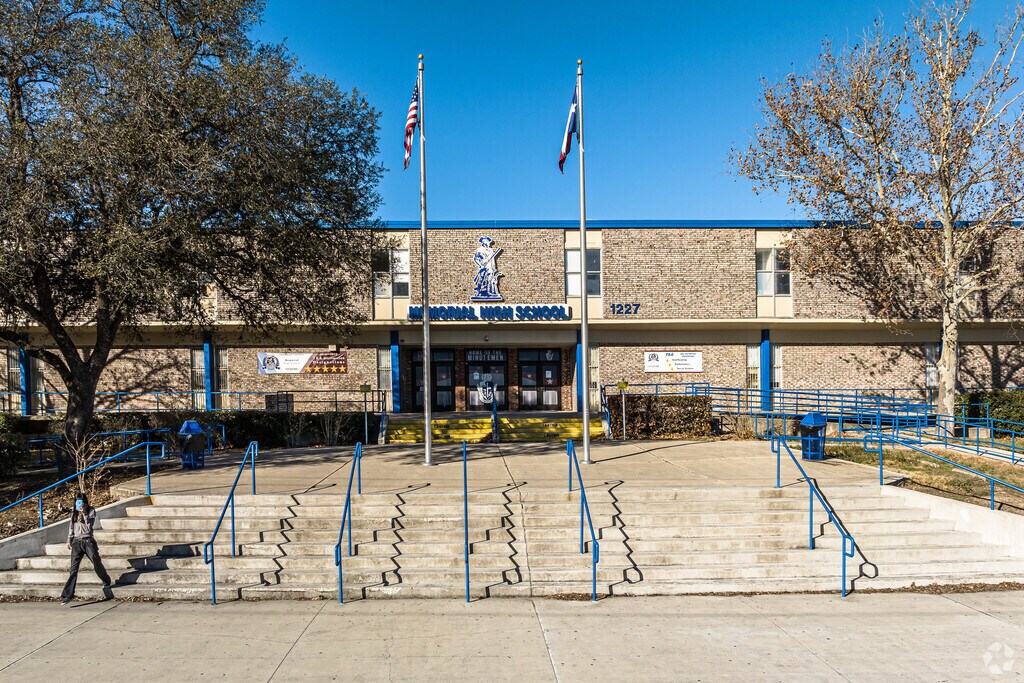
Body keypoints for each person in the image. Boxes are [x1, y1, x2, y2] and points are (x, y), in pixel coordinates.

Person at [60, 493, 113, 604]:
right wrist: (69, 540)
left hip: (88, 540)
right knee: (73, 569)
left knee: (96, 562)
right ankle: (68, 595)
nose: (80, 504)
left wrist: (83, 512)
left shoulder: (91, 511)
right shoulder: (74, 512)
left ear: (85, 502)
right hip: (76, 541)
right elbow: (71, 526)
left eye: (82, 502)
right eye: (78, 502)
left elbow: (89, 526)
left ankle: (106, 580)